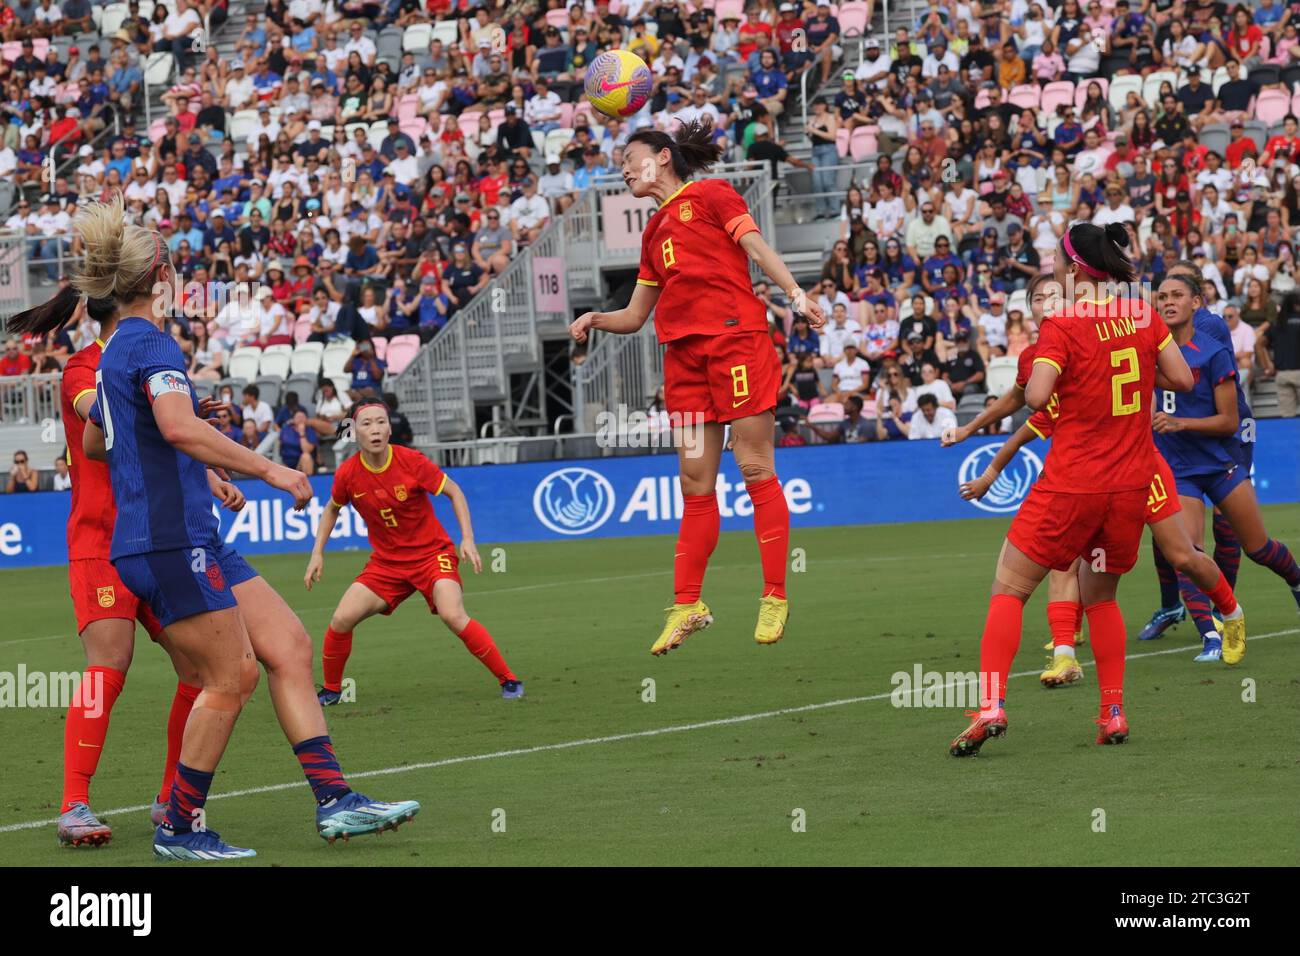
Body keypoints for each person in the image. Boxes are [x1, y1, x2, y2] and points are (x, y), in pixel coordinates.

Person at [76, 197, 419, 860]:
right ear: (161, 280)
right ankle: (179, 824)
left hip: (182, 535)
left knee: (288, 645)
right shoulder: (151, 342)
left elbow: (97, 442)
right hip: (169, 540)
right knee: (231, 678)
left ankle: (335, 801)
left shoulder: (115, 349)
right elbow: (175, 426)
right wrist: (273, 471)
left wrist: (179, 450)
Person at [569, 120, 825, 655]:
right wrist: (596, 317)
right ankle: (688, 605)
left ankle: (775, 593)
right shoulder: (652, 232)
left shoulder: (711, 194)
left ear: (662, 157)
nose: (622, 167)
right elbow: (637, 315)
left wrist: (796, 294)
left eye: (629, 157)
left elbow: (755, 247)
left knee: (754, 466)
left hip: (736, 343)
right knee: (693, 481)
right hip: (683, 363)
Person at [949, 222, 1195, 756]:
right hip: (1130, 484)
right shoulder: (1142, 314)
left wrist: (1055, 365)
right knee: (1102, 599)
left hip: (1072, 483)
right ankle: (1112, 713)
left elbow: (1037, 397)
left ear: (1074, 267)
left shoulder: (1062, 322)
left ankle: (991, 704)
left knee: (1009, 589)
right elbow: (1183, 380)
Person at [6, 289, 220, 847]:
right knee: (111, 661)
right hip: (100, 537)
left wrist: (196, 434)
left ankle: (171, 797)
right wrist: (172, 411)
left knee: (199, 667)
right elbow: (100, 419)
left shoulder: (151, 354)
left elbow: (160, 439)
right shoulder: (83, 366)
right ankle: (74, 803)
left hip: (154, 533)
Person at [305, 399, 523, 701]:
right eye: (367, 424)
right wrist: (318, 552)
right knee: (341, 620)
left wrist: (467, 538)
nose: (376, 429)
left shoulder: (412, 461)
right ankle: (331, 691)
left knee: (452, 614)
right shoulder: (347, 474)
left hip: (432, 556)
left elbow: (455, 492)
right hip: (387, 564)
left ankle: (509, 680)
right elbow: (332, 509)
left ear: (390, 428)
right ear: (354, 432)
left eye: (381, 422)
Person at [1152, 274, 1300, 659]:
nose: (1168, 302)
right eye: (1162, 296)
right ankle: (1213, 635)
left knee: (1259, 548)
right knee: (1187, 555)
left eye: (1177, 295)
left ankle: (1297, 583)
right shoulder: (1145, 352)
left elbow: (1229, 422)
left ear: (1195, 303)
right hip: (1177, 467)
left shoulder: (1214, 352)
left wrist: (1180, 423)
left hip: (1220, 463)